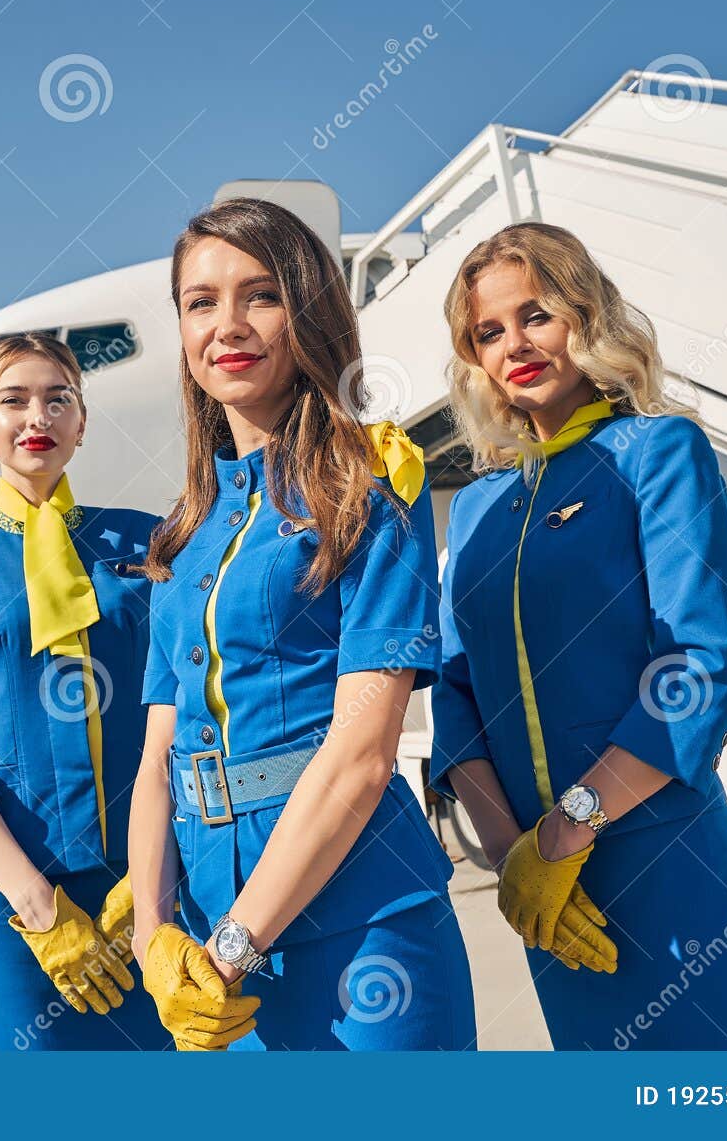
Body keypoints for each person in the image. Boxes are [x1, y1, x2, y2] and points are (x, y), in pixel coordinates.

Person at [430, 222, 727, 1050]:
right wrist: (515, 854)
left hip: (667, 862)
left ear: (584, 315)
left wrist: (570, 828)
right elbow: (453, 689)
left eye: (535, 315)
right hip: (547, 891)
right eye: (488, 332)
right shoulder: (483, 506)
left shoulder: (661, 450)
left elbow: (696, 666)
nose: (513, 344)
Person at [128, 197, 476, 1051]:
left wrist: (234, 948)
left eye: (262, 294)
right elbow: (157, 758)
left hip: (359, 929)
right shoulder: (182, 534)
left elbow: (360, 756)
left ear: (309, 312)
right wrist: (150, 933)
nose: (228, 324)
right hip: (210, 948)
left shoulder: (365, 498)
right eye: (200, 302)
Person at [0, 333, 169, 1051]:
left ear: (82, 422)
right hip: (4, 903)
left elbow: (185, 712)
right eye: (12, 400)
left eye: (58, 398)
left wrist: (155, 872)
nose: (35, 415)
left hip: (142, 885)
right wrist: (40, 908)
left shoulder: (146, 541)